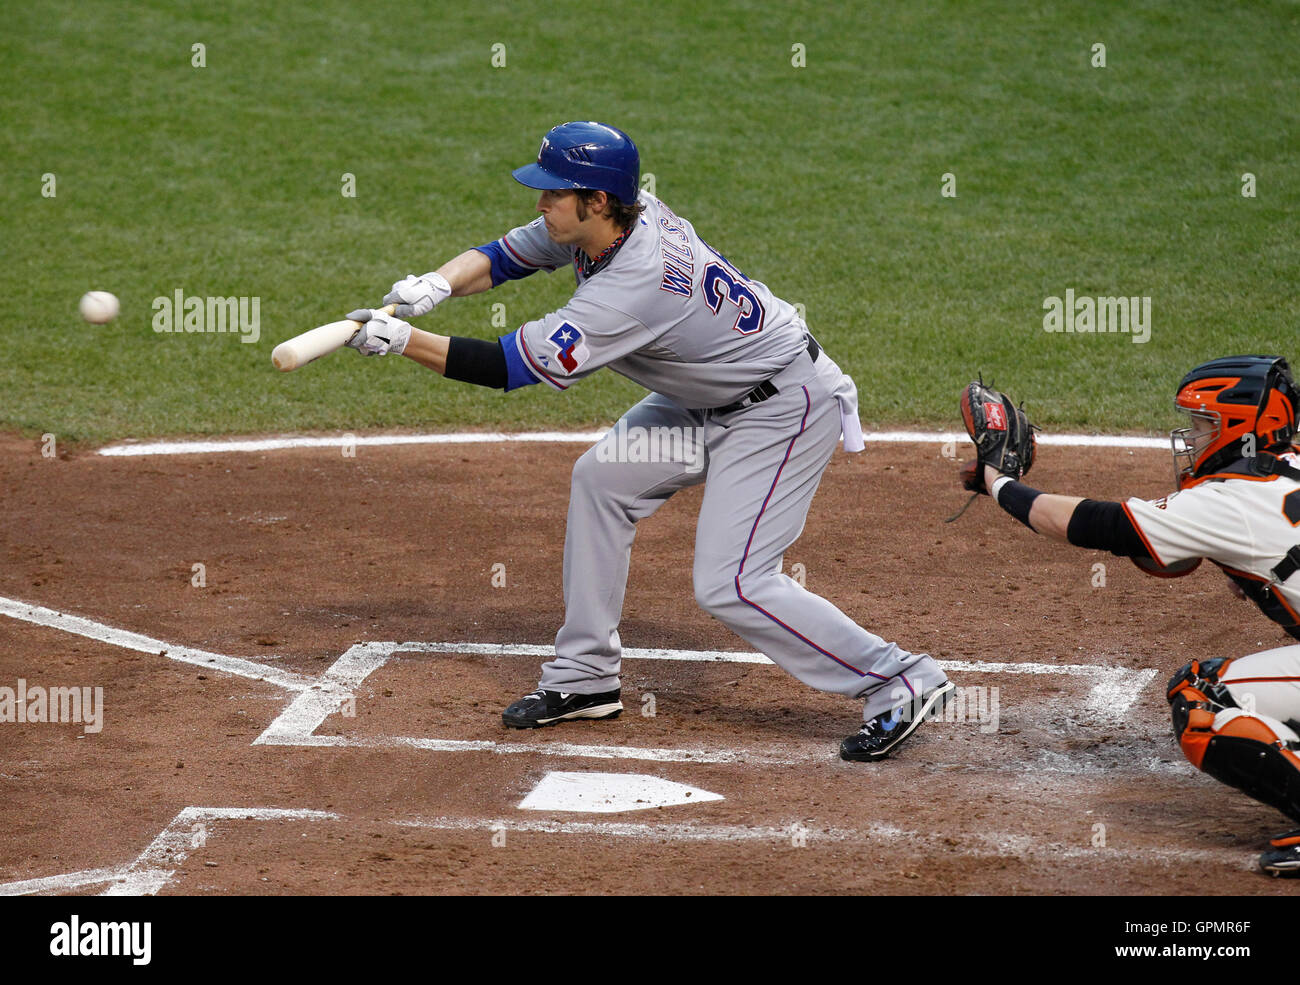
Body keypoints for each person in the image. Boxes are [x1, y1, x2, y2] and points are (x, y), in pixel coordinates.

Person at [342, 120, 953, 760]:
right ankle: (583, 680)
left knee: (733, 583)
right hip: (708, 400)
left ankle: (900, 680)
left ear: (597, 202)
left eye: (554, 193)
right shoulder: (619, 218)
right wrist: (435, 285)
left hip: (780, 409)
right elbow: (503, 256)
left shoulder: (634, 286)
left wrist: (402, 342)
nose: (541, 203)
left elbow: (509, 369)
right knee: (602, 480)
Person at [966, 355, 1300, 876]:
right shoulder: (1286, 469)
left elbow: (1093, 524)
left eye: (1202, 424)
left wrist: (998, 481)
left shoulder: (1228, 502)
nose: (1191, 438)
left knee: (1202, 695)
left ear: (1237, 427)